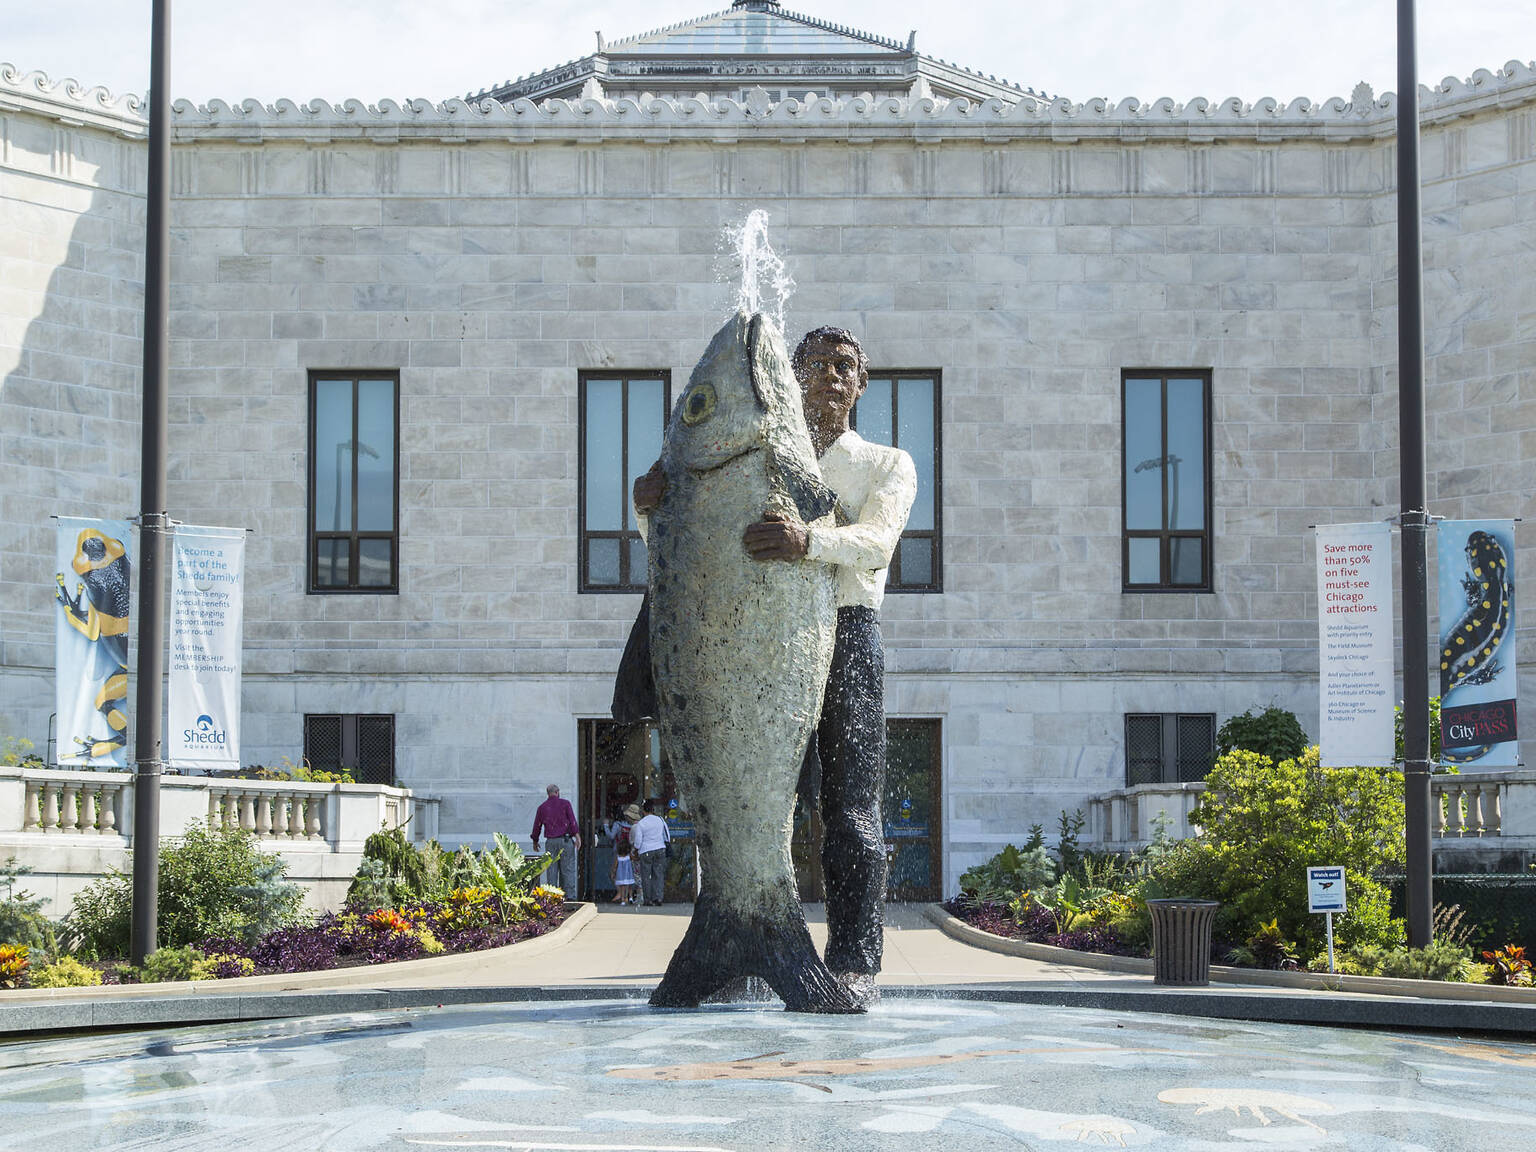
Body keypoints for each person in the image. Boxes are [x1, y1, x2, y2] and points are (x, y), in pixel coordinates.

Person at [633, 325, 915, 1005]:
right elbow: (703, 540)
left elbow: (877, 543)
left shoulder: (886, 463)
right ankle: (740, 948)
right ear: (790, 380)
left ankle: (853, 960)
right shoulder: (759, 451)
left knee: (850, 807)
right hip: (764, 640)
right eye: (815, 366)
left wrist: (806, 541)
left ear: (861, 383)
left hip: (846, 631)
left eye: (844, 366)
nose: (830, 377)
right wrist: (648, 513)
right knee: (749, 790)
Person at [530, 783, 581, 894]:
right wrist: (577, 836)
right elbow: (572, 822)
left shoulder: (542, 807)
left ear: (548, 793)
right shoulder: (565, 804)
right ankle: (569, 897)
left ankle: (552, 898)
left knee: (552, 871)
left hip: (551, 842)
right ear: (557, 792)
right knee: (567, 870)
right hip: (565, 840)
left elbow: (537, 826)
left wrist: (535, 841)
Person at [629, 799, 671, 906]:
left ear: (643, 810)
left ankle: (648, 899)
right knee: (658, 874)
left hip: (646, 850)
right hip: (660, 848)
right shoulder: (660, 820)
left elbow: (638, 841)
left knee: (646, 875)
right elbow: (667, 835)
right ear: (653, 809)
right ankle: (658, 898)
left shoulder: (641, 823)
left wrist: (635, 850)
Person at [611, 819, 638, 905]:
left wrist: (613, 872)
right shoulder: (629, 856)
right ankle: (630, 897)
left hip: (621, 875)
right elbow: (634, 859)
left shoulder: (618, 857)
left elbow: (615, 866)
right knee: (630, 886)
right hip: (629, 874)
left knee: (622, 887)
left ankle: (623, 899)